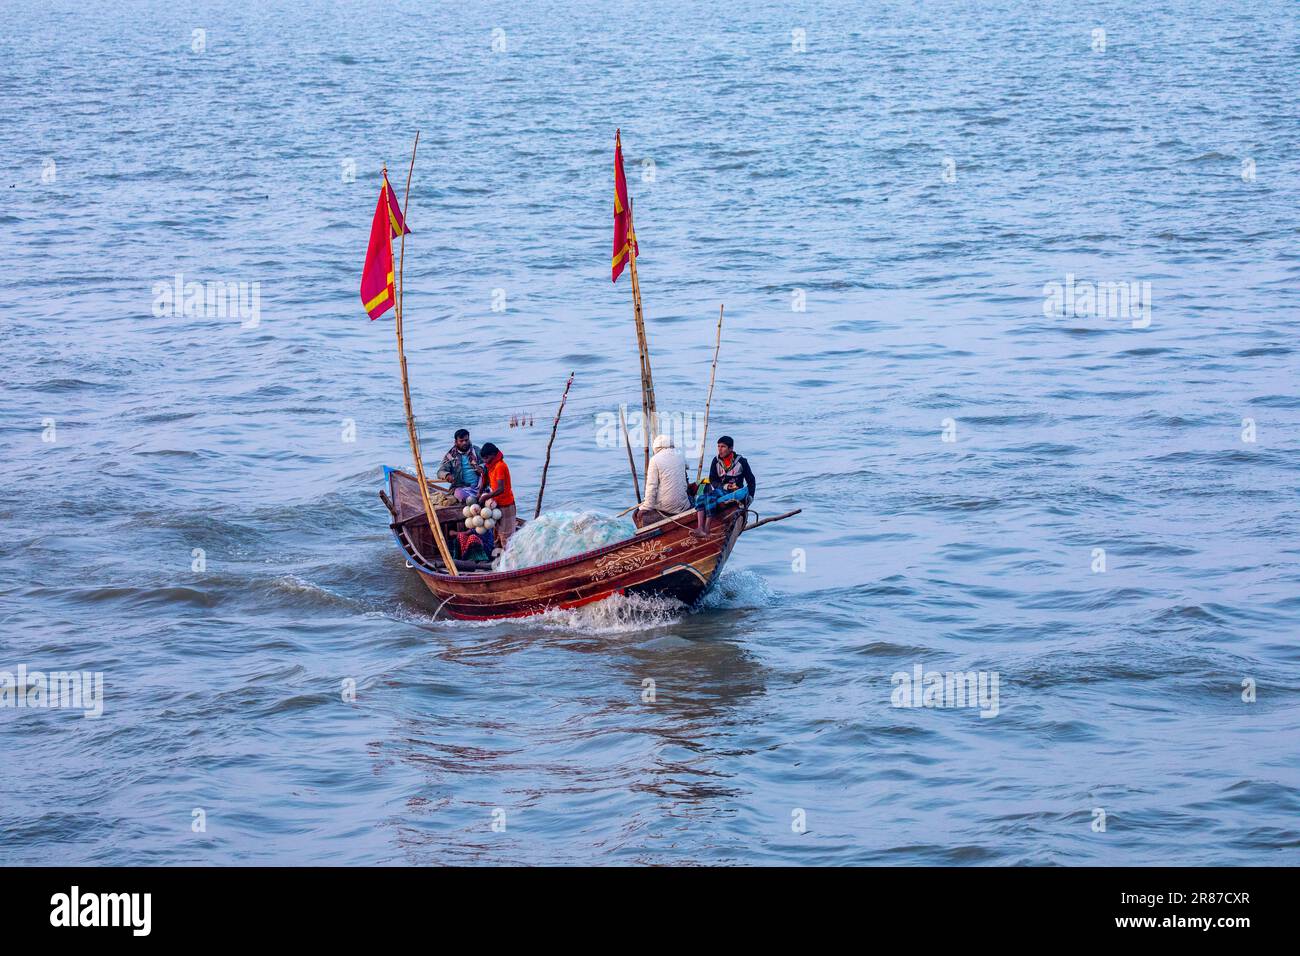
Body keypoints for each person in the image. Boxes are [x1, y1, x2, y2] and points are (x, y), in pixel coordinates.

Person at [692, 435, 756, 538]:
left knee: (710, 497)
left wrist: (750, 497)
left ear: (730, 449)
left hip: (734, 491)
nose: (720, 449)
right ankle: (700, 528)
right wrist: (725, 486)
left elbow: (751, 481)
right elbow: (712, 479)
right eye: (718, 446)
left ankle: (707, 529)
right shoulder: (716, 461)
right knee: (700, 497)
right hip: (721, 489)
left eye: (723, 447)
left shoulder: (741, 462)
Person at [636, 434, 692, 527]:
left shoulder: (654, 460)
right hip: (683, 505)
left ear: (656, 447)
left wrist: (646, 507)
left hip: (666, 508)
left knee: (637, 514)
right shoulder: (680, 455)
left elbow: (651, 487)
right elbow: (687, 467)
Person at [478, 442, 517, 548]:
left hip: (506, 505)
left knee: (507, 537)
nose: (485, 461)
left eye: (487, 458)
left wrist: (487, 496)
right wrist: (480, 493)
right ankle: (500, 559)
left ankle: (509, 562)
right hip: (497, 504)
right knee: (498, 535)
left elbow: (501, 489)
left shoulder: (500, 466)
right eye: (483, 459)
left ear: (493, 455)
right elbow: (485, 481)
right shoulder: (490, 466)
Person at [437, 429, 485, 503]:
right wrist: (447, 475)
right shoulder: (450, 455)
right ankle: (474, 500)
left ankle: (477, 499)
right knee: (459, 495)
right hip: (461, 488)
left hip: (480, 486)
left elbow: (487, 463)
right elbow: (440, 472)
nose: (464, 443)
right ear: (456, 442)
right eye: (461, 441)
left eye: (466, 440)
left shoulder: (476, 450)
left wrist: (481, 467)